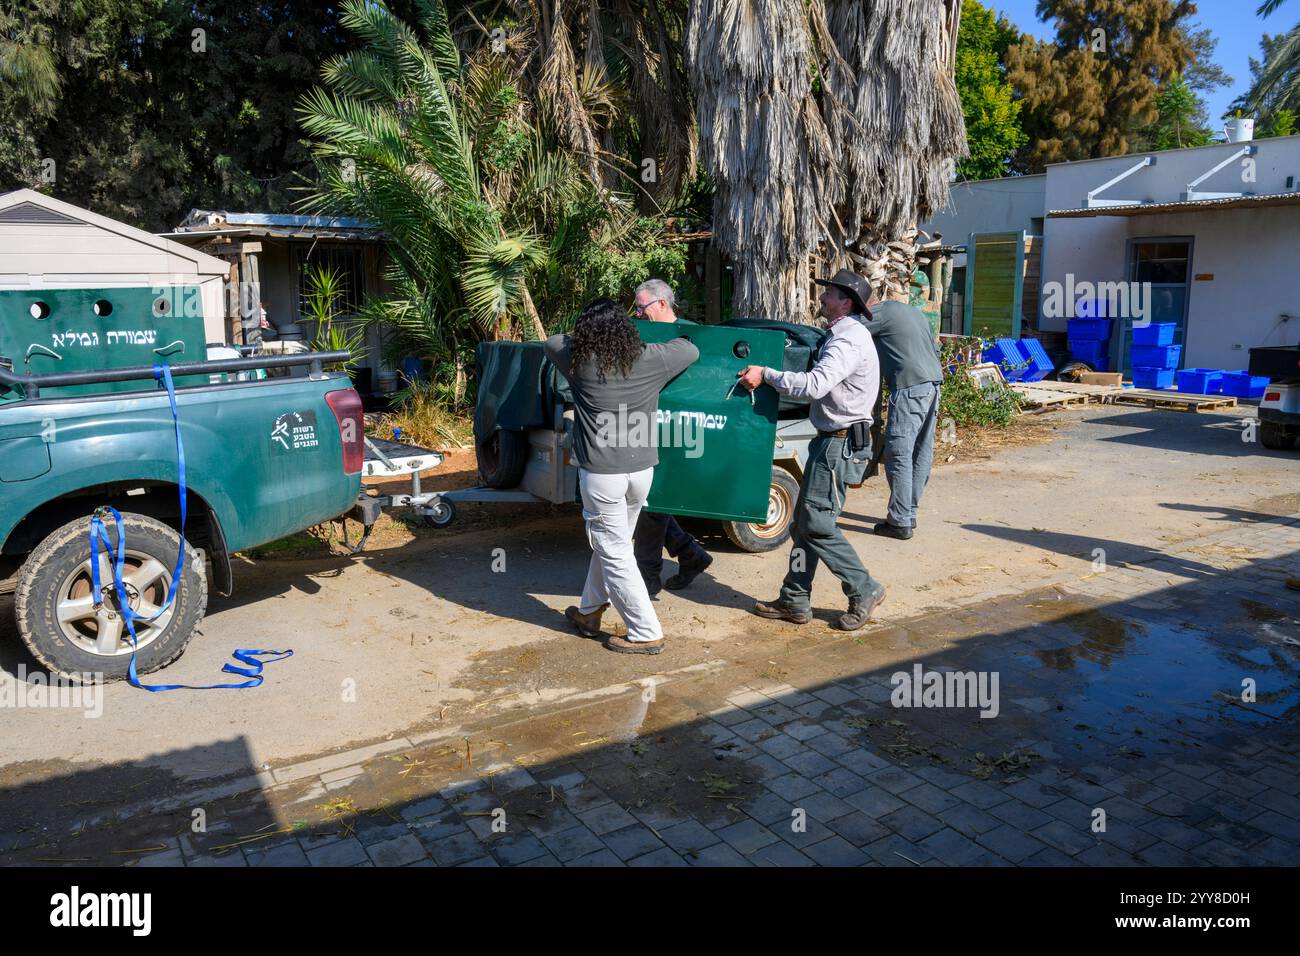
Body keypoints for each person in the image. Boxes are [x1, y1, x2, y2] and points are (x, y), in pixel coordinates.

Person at [544, 298, 699, 654]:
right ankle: (589, 611)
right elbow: (688, 349)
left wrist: (584, 335)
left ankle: (645, 631)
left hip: (602, 475)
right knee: (612, 543)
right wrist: (642, 336)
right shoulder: (650, 358)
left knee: (614, 550)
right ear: (627, 329)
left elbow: (551, 341)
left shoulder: (578, 361)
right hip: (641, 471)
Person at [736, 269, 886, 632]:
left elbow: (814, 386)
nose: (821, 298)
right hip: (833, 441)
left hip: (839, 444)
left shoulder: (846, 342)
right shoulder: (843, 336)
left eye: (829, 293)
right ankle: (794, 598)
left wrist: (767, 374)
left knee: (816, 523)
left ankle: (864, 588)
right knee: (804, 525)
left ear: (845, 301)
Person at [629, 278, 714, 595]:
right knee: (650, 502)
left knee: (652, 503)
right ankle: (691, 556)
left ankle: (647, 580)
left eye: (642, 307)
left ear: (661, 304)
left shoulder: (695, 335)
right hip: (645, 425)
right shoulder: (640, 335)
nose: (637, 313)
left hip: (681, 429)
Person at [863, 291, 944, 540]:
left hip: (909, 387)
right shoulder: (910, 312)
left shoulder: (878, 313)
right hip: (933, 384)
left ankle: (899, 521)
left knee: (899, 452)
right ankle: (908, 513)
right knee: (921, 452)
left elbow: (846, 332)